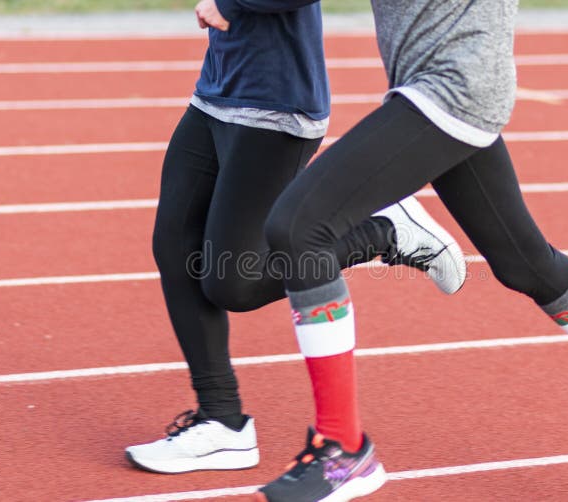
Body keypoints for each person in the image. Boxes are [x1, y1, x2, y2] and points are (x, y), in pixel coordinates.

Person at [198, 1, 568, 501]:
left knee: (300, 226)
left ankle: (343, 449)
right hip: (438, 83)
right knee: (523, 263)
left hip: (453, 86)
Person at [123, 0, 468, 474]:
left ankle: (384, 233)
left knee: (234, 284)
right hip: (218, 88)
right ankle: (221, 421)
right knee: (175, 247)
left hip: (276, 104)